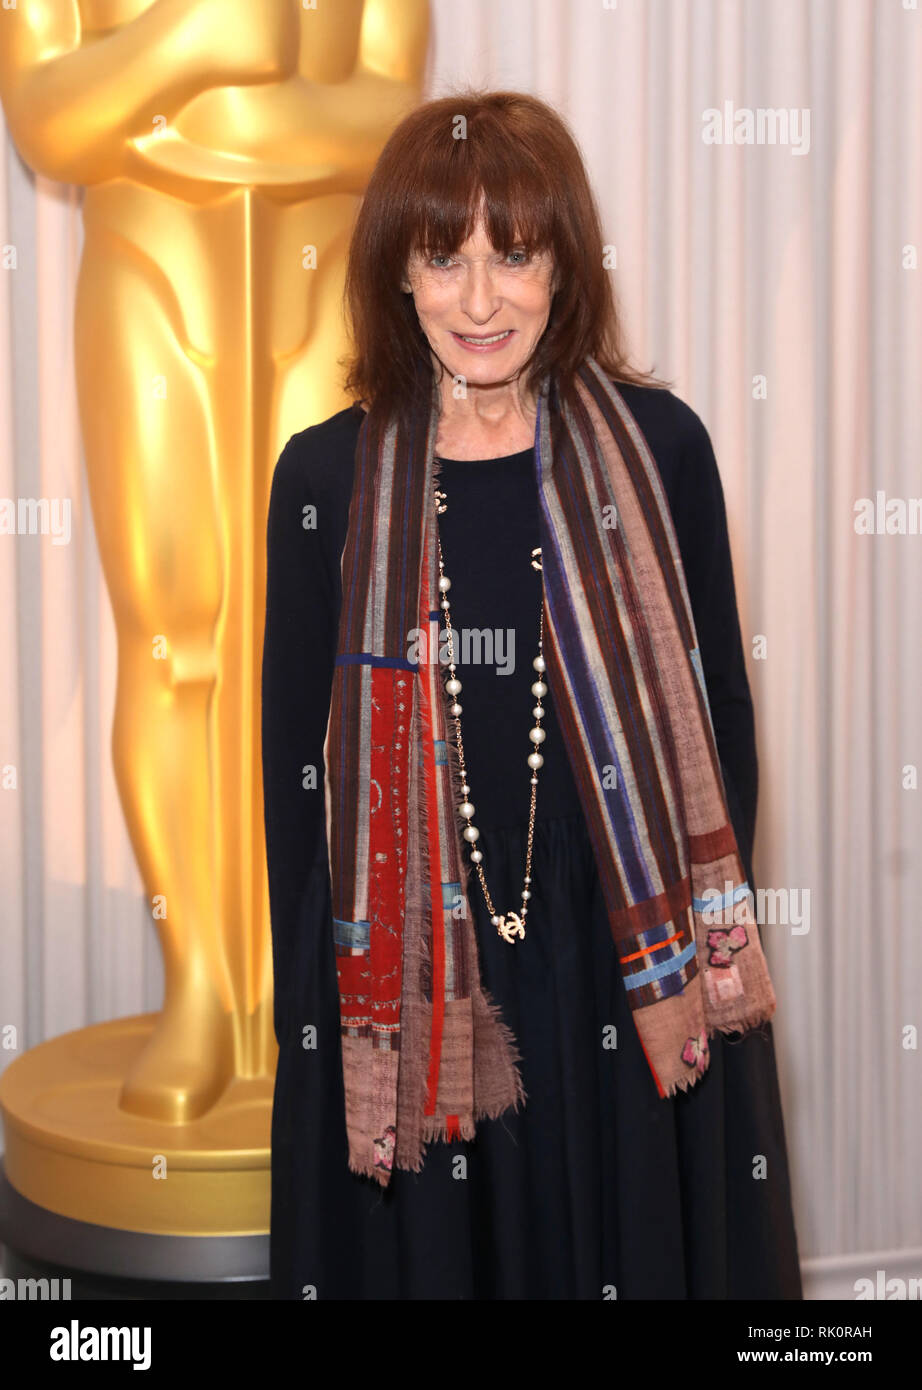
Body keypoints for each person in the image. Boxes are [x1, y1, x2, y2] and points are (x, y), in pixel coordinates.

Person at [261, 89, 802, 1300]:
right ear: (397, 270)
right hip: (415, 963)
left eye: (515, 253)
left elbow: (724, 735)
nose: (480, 296)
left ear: (564, 264)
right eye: (443, 256)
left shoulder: (663, 451)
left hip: (627, 946)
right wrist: (327, 1014)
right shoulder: (324, 476)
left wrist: (693, 956)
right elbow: (294, 780)